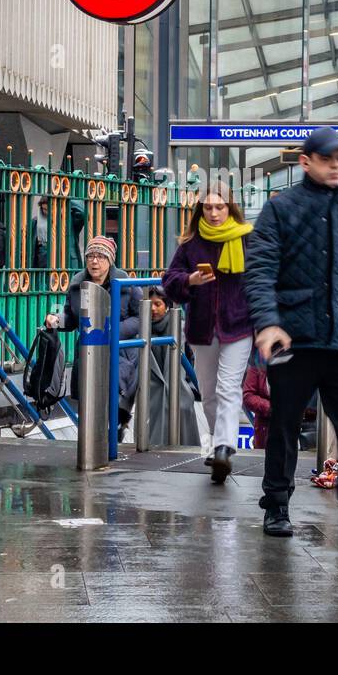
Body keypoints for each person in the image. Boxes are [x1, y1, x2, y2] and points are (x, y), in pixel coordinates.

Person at [244, 127, 338, 544]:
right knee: (285, 422)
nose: (337, 166)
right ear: (306, 161)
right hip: (294, 338)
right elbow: (260, 270)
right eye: (328, 159)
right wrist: (268, 322)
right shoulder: (281, 209)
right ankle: (276, 503)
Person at [162, 182, 254, 483]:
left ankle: (225, 447)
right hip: (202, 329)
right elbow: (169, 280)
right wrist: (191, 280)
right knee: (210, 394)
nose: (214, 213)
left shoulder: (247, 239)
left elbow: (262, 279)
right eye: (209, 207)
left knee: (229, 388)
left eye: (220, 207)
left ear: (231, 209)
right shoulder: (191, 243)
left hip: (239, 325)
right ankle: (219, 447)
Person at [46, 236, 142, 426]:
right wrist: (55, 320)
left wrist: (114, 331)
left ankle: (114, 432)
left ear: (110, 260)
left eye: (101, 256)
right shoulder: (77, 284)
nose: (94, 261)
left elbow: (140, 317)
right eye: (90, 256)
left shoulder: (124, 283)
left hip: (119, 351)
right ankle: (95, 441)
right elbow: (71, 317)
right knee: (88, 404)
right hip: (88, 350)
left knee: (113, 402)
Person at [145, 287, 199, 448]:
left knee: (183, 439)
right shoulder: (141, 329)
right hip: (152, 397)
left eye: (158, 304)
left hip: (179, 392)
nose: (153, 309)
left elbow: (193, 358)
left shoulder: (180, 328)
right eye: (150, 304)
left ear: (167, 305)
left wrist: (190, 387)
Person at [30, 196, 87, 271]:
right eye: (44, 209)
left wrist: (66, 199)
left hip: (66, 262)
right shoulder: (36, 222)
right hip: (44, 263)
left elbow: (82, 212)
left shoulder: (70, 220)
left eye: (51, 209)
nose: (48, 213)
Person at [241, 355, 271, 450]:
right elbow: (248, 396)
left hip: (291, 428)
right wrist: (270, 408)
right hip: (263, 432)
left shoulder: (294, 360)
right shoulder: (258, 362)